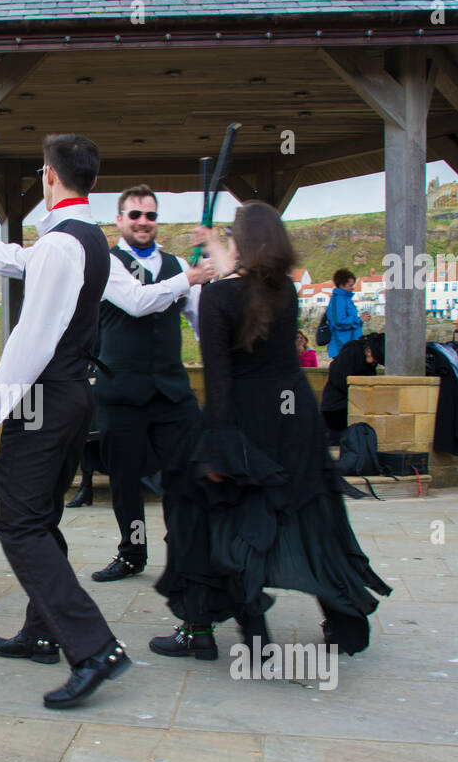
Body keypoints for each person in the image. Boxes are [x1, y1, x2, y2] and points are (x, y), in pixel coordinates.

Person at [0, 133, 176, 709]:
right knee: (42, 515)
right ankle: (41, 628)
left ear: (48, 176)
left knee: (21, 524)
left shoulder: (61, 246)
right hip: (73, 397)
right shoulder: (88, 241)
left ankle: (93, 646)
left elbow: (32, 337)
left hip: (47, 400)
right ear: (92, 182)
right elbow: (15, 260)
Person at [152, 203, 390, 661]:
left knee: (210, 514)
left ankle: (224, 631)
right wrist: (217, 244)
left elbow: (218, 381)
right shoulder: (284, 292)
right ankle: (344, 623)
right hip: (294, 417)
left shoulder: (220, 297)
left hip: (242, 419)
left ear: (241, 245)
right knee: (310, 514)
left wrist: (217, 450)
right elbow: (246, 287)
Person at [90, 184, 209, 582]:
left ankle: (183, 553)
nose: (144, 222)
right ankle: (131, 553)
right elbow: (138, 302)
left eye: (151, 215)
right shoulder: (107, 264)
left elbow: (201, 325)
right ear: (120, 221)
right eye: (135, 215)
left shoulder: (178, 264)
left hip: (172, 394)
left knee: (183, 476)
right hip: (120, 393)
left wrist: (203, 283)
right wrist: (188, 279)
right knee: (124, 480)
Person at [320, 332, 385, 441]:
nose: (374, 362)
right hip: (336, 408)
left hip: (354, 408)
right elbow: (338, 376)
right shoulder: (352, 350)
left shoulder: (369, 363)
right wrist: (356, 392)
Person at [326, 268, 363, 359]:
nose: (352, 288)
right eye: (350, 285)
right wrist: (359, 320)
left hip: (350, 345)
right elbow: (338, 322)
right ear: (342, 285)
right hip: (342, 347)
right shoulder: (338, 300)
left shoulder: (345, 299)